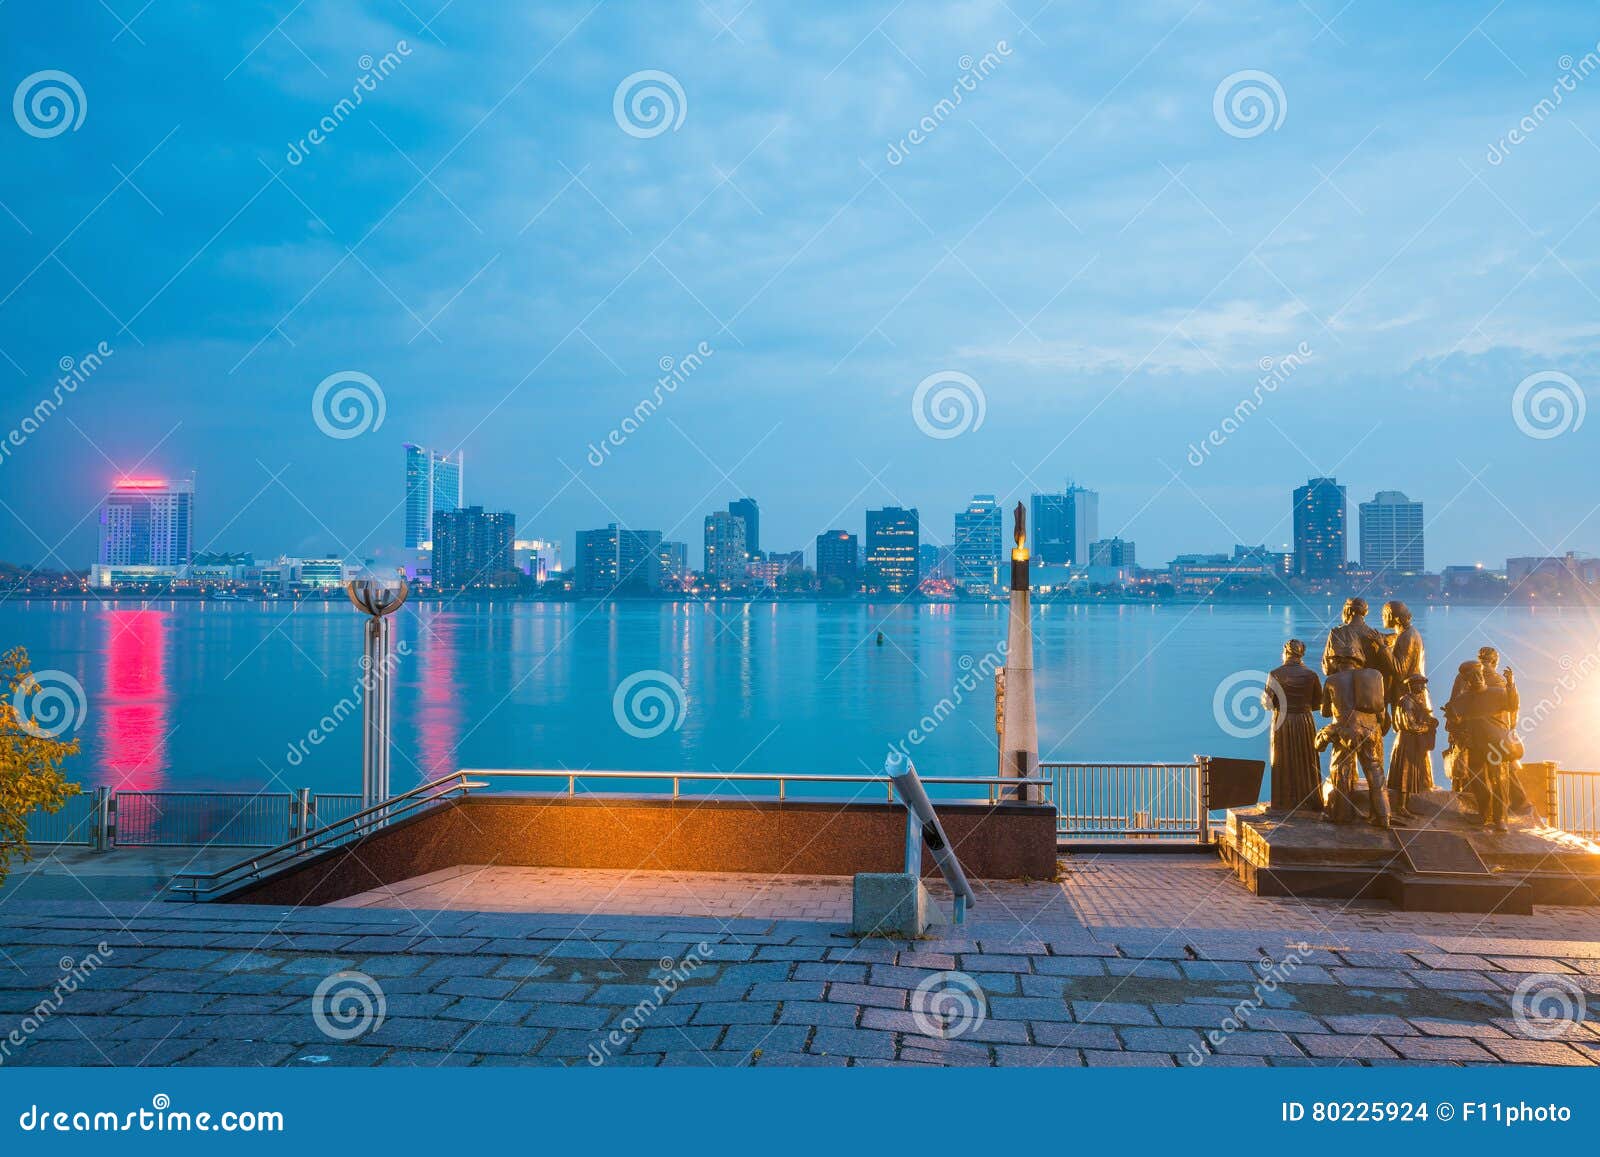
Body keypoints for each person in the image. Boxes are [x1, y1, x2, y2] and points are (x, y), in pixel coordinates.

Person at [1443, 660, 1521, 832]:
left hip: (1497, 746)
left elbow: (1512, 705)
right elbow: (1451, 725)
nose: (1477, 678)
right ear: (1466, 680)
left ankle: (1501, 818)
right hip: (1474, 747)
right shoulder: (1462, 700)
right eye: (1472, 677)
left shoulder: (1498, 693)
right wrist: (1454, 720)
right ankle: (1484, 814)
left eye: (1479, 674)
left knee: (1499, 780)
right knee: (1478, 781)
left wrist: (1511, 684)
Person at [1316, 651, 1391, 827]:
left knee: (1341, 771)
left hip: (1345, 732)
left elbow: (1324, 712)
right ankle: (1383, 816)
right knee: (1375, 773)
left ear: (1339, 662)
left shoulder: (1332, 680)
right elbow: (1380, 711)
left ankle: (1341, 815)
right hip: (1370, 731)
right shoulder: (1372, 678)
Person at [1264, 639, 1323, 813]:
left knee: (1282, 759)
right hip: (1305, 721)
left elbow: (1268, 704)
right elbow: (1317, 704)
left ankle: (1283, 803)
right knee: (1307, 759)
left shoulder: (1275, 674)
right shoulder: (1311, 675)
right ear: (1301, 654)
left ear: (1285, 652)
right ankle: (1309, 801)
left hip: (1282, 721)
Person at [1387, 673, 1438, 817]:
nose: (1422, 687)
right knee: (1405, 773)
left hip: (1412, 741)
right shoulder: (1406, 701)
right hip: (1406, 741)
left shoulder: (1416, 700)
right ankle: (1401, 807)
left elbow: (1421, 717)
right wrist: (1426, 727)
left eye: (1423, 684)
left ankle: (1405, 805)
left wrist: (1430, 720)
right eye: (1419, 684)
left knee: (1410, 774)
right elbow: (1409, 724)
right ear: (1411, 685)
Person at [1322, 597, 1395, 678]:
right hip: (1370, 685)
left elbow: (1327, 669)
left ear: (1349, 611)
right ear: (1365, 612)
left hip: (1345, 685)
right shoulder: (1378, 637)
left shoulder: (1337, 633)